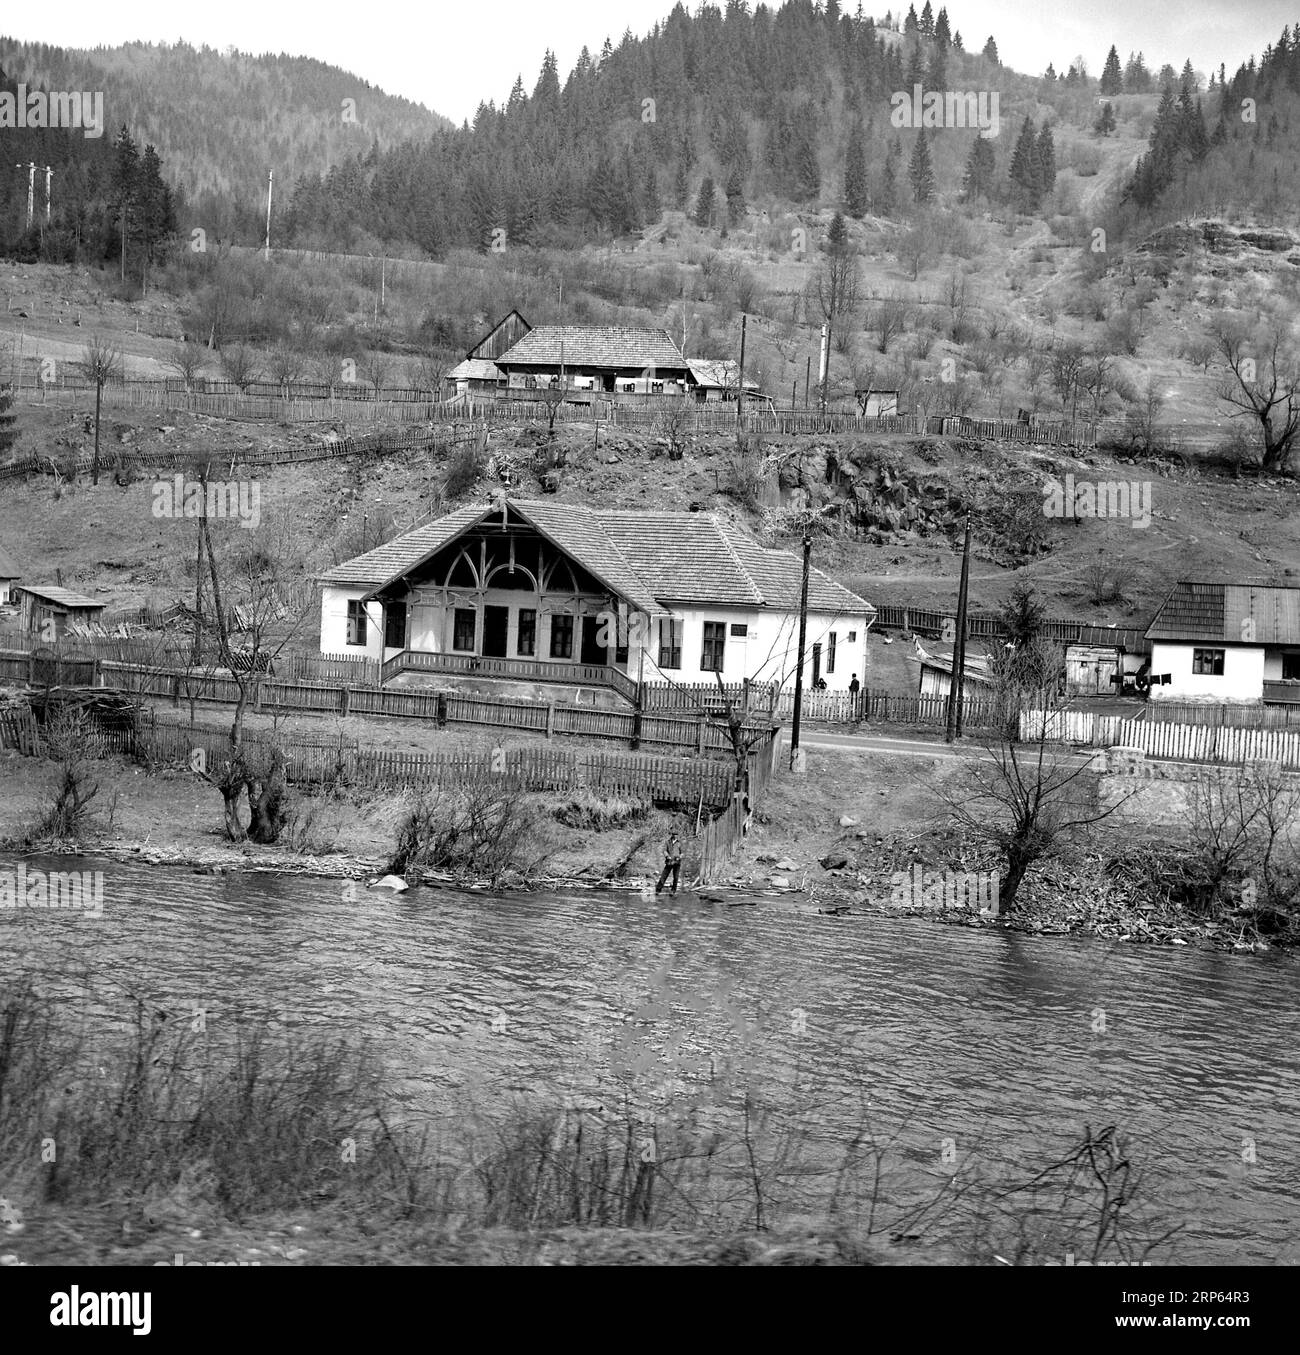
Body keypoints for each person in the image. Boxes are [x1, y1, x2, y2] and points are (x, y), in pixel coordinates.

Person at [655, 831, 683, 895]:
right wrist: (667, 856)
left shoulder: (680, 843)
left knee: (676, 877)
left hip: (677, 862)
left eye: (677, 834)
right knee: (664, 876)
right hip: (669, 862)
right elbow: (664, 850)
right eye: (674, 834)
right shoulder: (667, 842)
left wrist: (679, 857)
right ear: (672, 835)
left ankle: (673, 891)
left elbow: (682, 853)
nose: (675, 836)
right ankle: (658, 890)